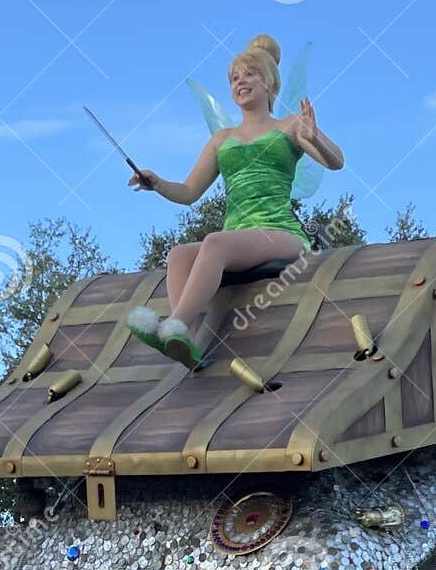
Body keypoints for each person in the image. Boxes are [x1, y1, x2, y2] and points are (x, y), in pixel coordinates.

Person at [125, 34, 343, 369]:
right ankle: (189, 342)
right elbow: (189, 192)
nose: (241, 82)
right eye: (234, 78)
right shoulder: (221, 140)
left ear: (269, 83)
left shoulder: (290, 126)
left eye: (249, 74)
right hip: (236, 238)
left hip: (279, 232)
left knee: (215, 244)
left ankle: (174, 325)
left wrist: (317, 139)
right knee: (179, 255)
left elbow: (336, 161)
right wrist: (156, 183)